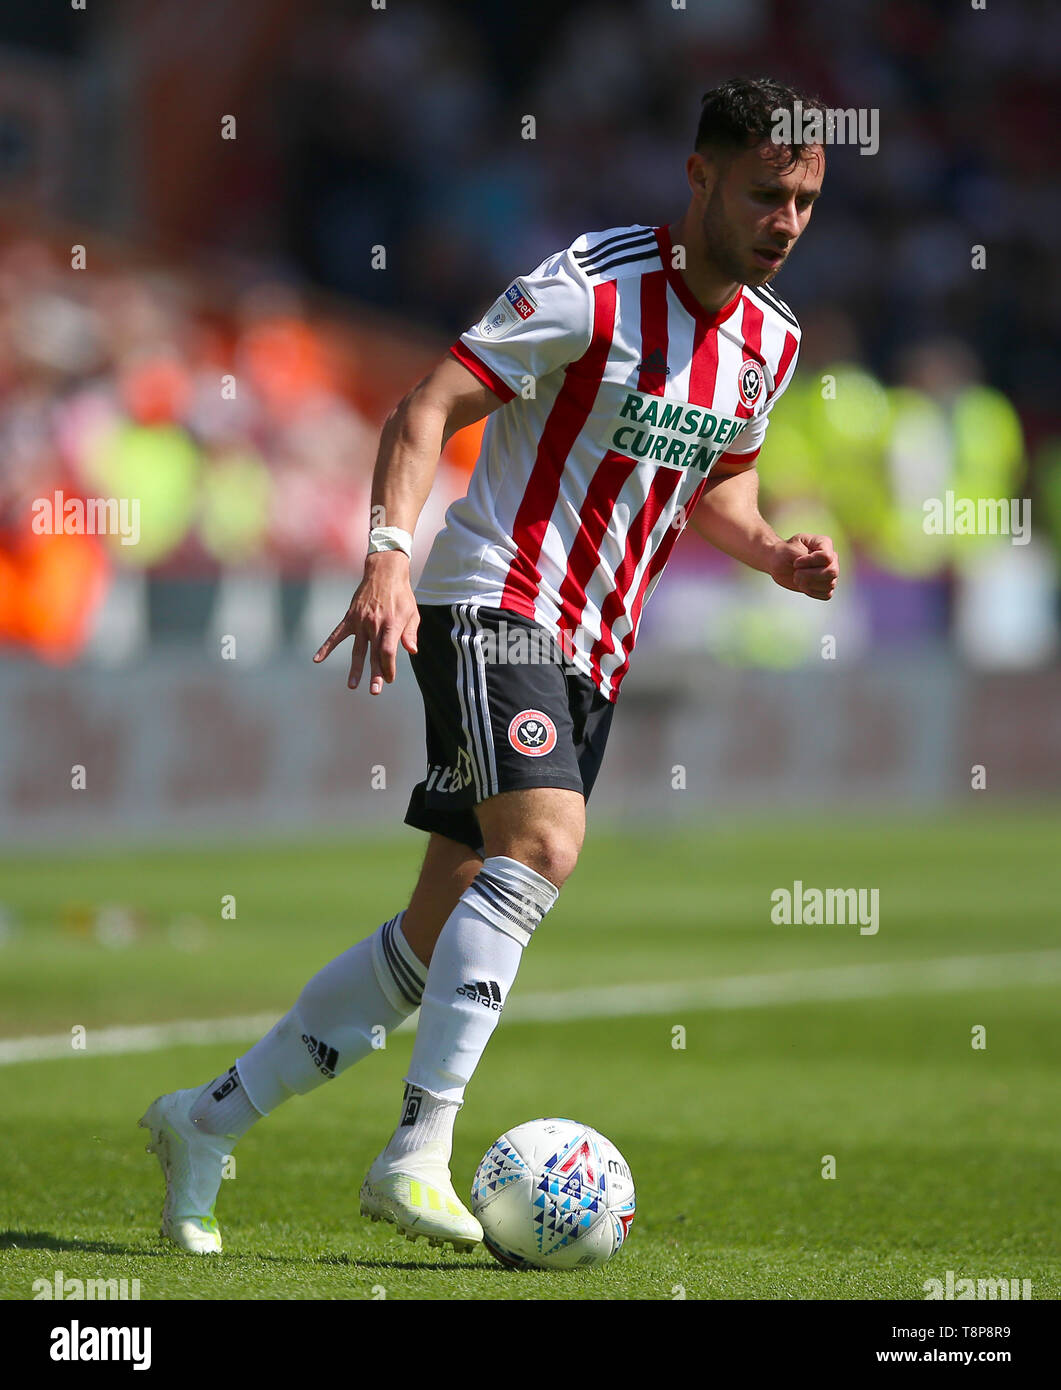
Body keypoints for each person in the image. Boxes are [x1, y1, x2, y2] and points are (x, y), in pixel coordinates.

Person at [140, 76, 839, 1254]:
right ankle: (415, 1151)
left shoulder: (769, 342)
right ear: (700, 176)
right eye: (766, 193)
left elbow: (718, 479)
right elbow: (425, 407)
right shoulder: (591, 284)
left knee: (431, 937)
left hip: (596, 651)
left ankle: (203, 1120)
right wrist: (385, 560)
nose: (785, 220)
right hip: (492, 603)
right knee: (544, 846)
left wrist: (770, 550)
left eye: (806, 200)